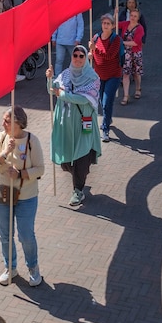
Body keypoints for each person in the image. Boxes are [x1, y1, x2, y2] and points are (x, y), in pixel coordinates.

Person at [0, 107, 46, 287]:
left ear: (19, 123)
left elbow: (40, 169)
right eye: (4, 120)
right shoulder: (1, 137)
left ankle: (33, 267)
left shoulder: (32, 141)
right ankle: (10, 267)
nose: (3, 124)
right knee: (5, 235)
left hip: (26, 196)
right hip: (2, 192)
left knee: (26, 235)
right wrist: (5, 152)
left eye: (7, 121)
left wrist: (21, 174)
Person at [46, 45, 101, 207]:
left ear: (86, 59)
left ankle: (78, 189)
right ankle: (80, 176)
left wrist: (63, 95)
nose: (77, 59)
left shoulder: (93, 78)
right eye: (75, 55)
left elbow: (84, 99)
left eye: (81, 56)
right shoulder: (65, 75)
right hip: (66, 125)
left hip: (83, 124)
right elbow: (52, 91)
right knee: (65, 160)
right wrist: (50, 79)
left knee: (81, 157)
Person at [90, 14, 122, 141]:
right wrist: (90, 53)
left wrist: (95, 49)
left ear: (113, 26)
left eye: (108, 23)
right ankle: (108, 117)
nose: (105, 25)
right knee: (101, 101)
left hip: (113, 76)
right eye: (104, 23)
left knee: (106, 102)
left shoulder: (116, 40)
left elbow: (108, 56)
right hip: (98, 76)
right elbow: (92, 53)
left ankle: (105, 130)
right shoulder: (96, 37)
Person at [118, 6, 145, 103]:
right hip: (126, 53)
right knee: (125, 74)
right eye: (131, 15)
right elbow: (113, 25)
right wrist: (115, 14)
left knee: (136, 73)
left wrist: (122, 42)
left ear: (138, 18)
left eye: (135, 16)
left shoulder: (140, 28)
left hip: (136, 52)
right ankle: (126, 95)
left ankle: (138, 88)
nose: (132, 18)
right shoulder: (125, 24)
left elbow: (136, 43)